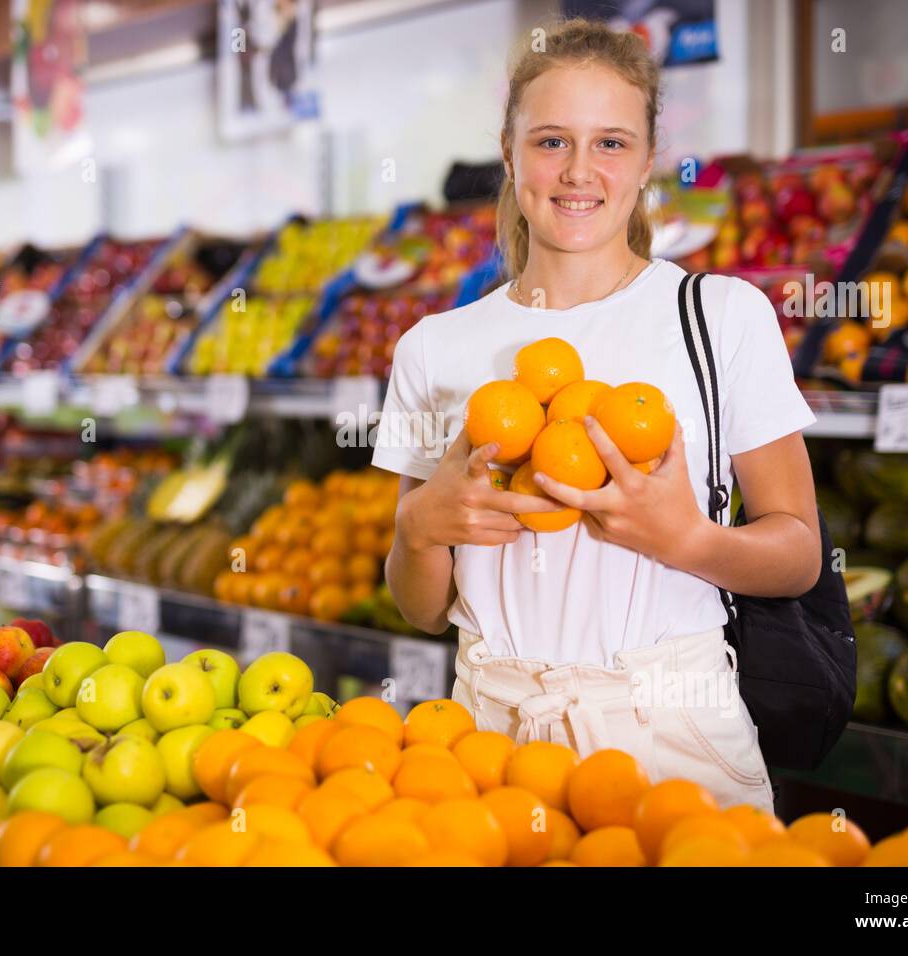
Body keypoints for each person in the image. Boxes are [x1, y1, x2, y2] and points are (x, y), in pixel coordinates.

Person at [371, 20, 820, 812]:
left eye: (611, 143)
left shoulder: (721, 316)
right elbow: (421, 607)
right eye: (551, 142)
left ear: (648, 159)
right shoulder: (432, 348)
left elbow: (799, 554)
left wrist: (686, 539)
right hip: (490, 738)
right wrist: (419, 528)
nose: (579, 171)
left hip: (677, 733)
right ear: (509, 153)